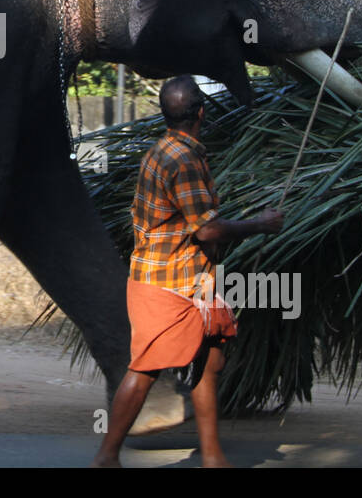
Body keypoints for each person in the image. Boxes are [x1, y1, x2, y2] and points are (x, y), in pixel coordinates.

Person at [92, 76, 284, 468]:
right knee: (145, 368)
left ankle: (213, 456)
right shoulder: (183, 159)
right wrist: (260, 224)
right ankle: (106, 456)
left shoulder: (162, 150)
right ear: (201, 112)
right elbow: (207, 229)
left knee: (209, 362)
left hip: (186, 279)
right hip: (168, 284)